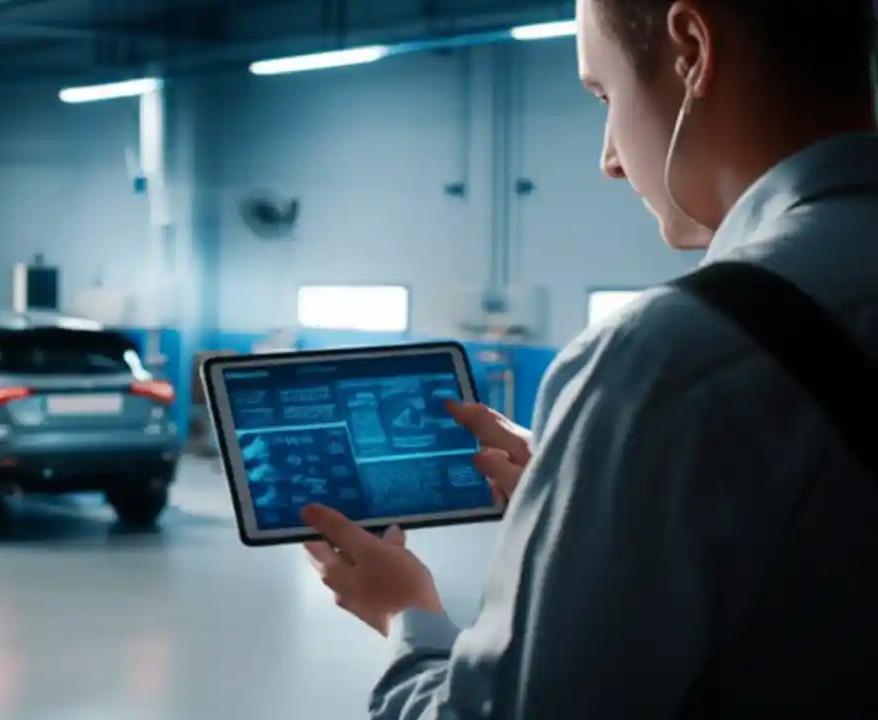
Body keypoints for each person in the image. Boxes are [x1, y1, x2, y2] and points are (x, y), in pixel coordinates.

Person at [300, 0, 878, 716]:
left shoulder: (667, 359)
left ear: (692, 49)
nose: (608, 159)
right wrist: (601, 479)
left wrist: (405, 617)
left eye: (604, 95)